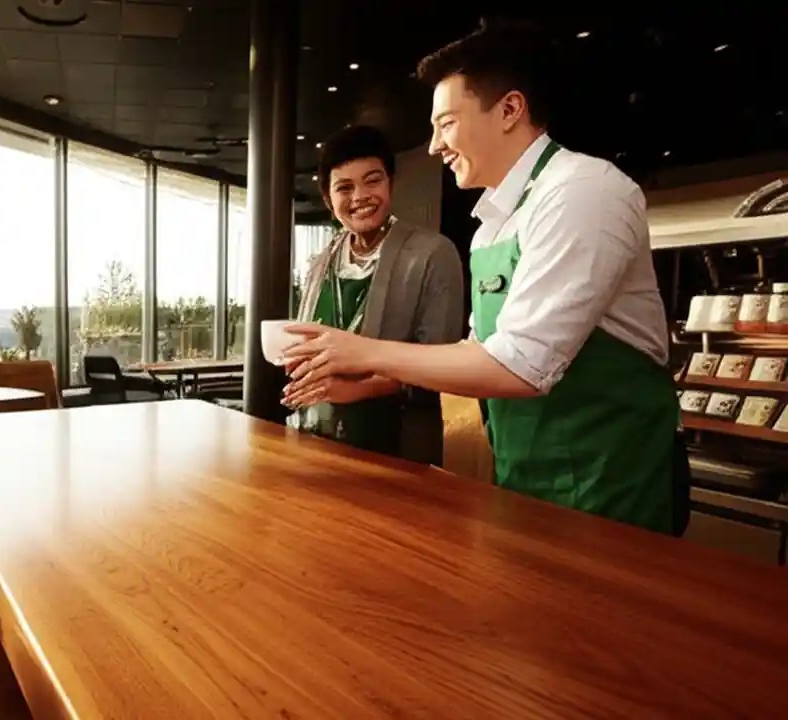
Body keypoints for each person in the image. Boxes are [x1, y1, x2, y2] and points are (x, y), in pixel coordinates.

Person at [283, 23, 685, 535]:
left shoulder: (583, 191)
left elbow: (522, 366)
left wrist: (361, 353)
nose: (434, 146)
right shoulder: (492, 224)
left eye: (445, 124)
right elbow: (477, 353)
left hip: (608, 482)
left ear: (510, 110)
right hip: (525, 477)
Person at [282, 125, 464, 465]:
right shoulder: (321, 262)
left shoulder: (432, 254)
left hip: (399, 445)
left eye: (373, 180)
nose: (360, 196)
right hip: (316, 440)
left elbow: (442, 364)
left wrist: (354, 389)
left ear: (391, 183)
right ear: (328, 199)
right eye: (344, 187)